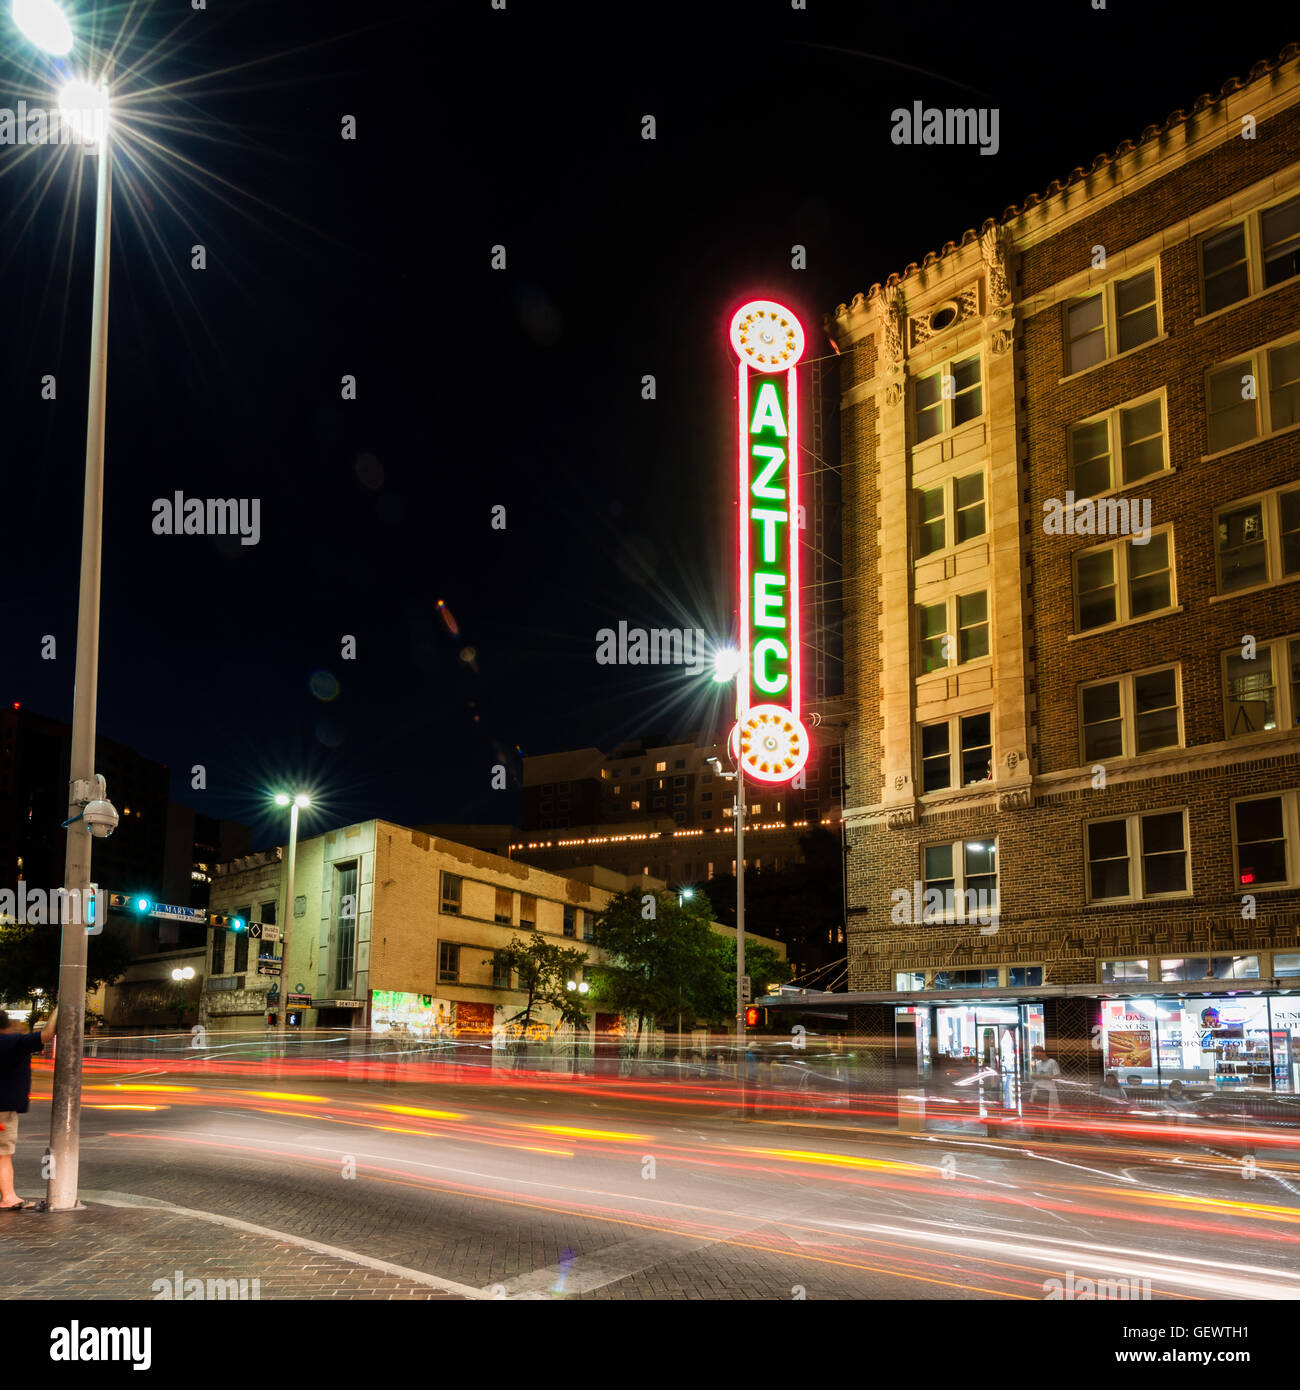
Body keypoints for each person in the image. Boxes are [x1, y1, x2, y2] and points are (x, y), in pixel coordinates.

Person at [0, 1005, 58, 1211]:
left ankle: (9, 1196)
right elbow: (48, 1033)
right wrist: (62, 1004)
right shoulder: (10, 1043)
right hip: (2, 1110)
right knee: (3, 1153)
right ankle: (9, 1197)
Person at [1029, 1045, 1061, 1116]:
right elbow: (1035, 1077)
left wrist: (1042, 1076)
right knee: (1039, 1112)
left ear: (1042, 1053)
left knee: (1047, 1112)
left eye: (1037, 1055)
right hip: (1038, 1090)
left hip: (1048, 1090)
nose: (1036, 1057)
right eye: (1035, 1056)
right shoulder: (1038, 1064)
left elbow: (1057, 1077)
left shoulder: (1052, 1062)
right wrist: (1034, 1074)